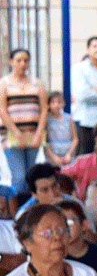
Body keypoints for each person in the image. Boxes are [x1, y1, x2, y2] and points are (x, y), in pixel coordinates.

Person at [0, 48, 47, 195]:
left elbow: (44, 109)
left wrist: (39, 134)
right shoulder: (4, 83)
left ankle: (30, 212)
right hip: (12, 136)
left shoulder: (37, 84)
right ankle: (16, 211)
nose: (23, 64)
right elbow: (2, 109)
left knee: (31, 176)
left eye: (26, 60)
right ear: (11, 62)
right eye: (19, 60)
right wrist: (16, 132)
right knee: (19, 177)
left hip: (33, 134)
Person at [60, 198, 97, 276]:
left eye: (69, 222)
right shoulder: (58, 258)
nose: (65, 228)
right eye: (60, 224)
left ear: (84, 225)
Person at [44, 90, 78, 167]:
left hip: (68, 157)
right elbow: (44, 142)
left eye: (59, 102)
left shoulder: (69, 118)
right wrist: (53, 157)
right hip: (52, 159)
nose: (56, 105)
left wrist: (69, 154)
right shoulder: (46, 120)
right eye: (53, 102)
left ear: (64, 103)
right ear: (48, 104)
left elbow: (75, 139)